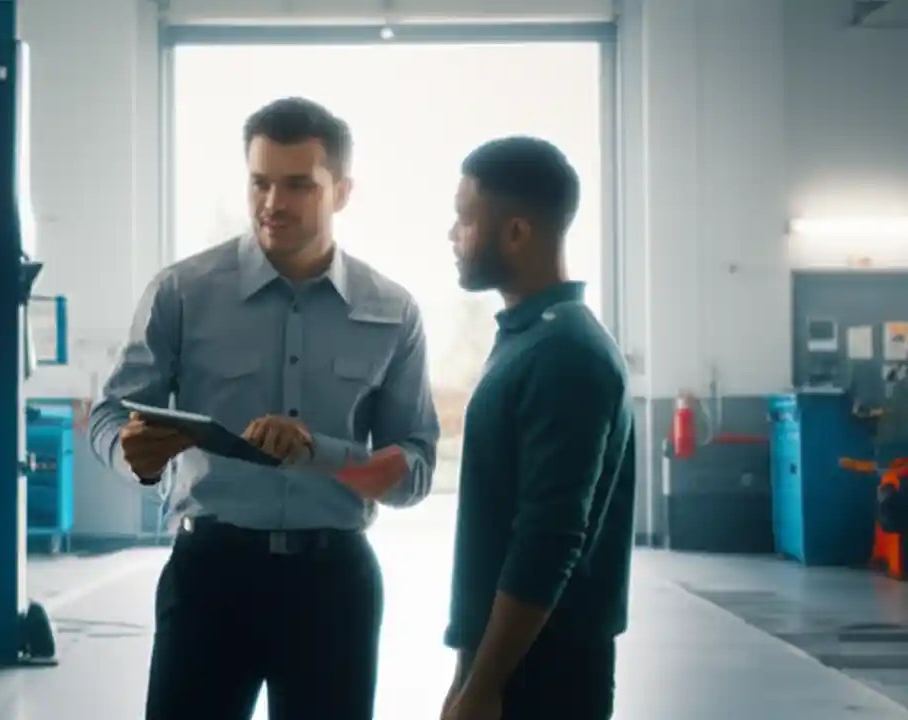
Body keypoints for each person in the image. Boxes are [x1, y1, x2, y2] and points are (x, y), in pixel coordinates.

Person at [88, 96, 440, 720]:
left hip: (334, 588)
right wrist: (129, 451)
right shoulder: (182, 293)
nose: (274, 203)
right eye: (260, 182)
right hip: (210, 579)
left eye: (299, 184)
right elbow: (110, 415)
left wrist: (318, 453)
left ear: (343, 191)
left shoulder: (393, 312)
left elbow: (413, 470)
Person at [438, 137, 636, 720]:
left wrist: (483, 685)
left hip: (547, 671)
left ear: (516, 232)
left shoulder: (566, 353)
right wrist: (467, 672)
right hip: (508, 661)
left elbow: (549, 538)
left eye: (465, 218)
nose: (452, 235)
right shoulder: (528, 338)